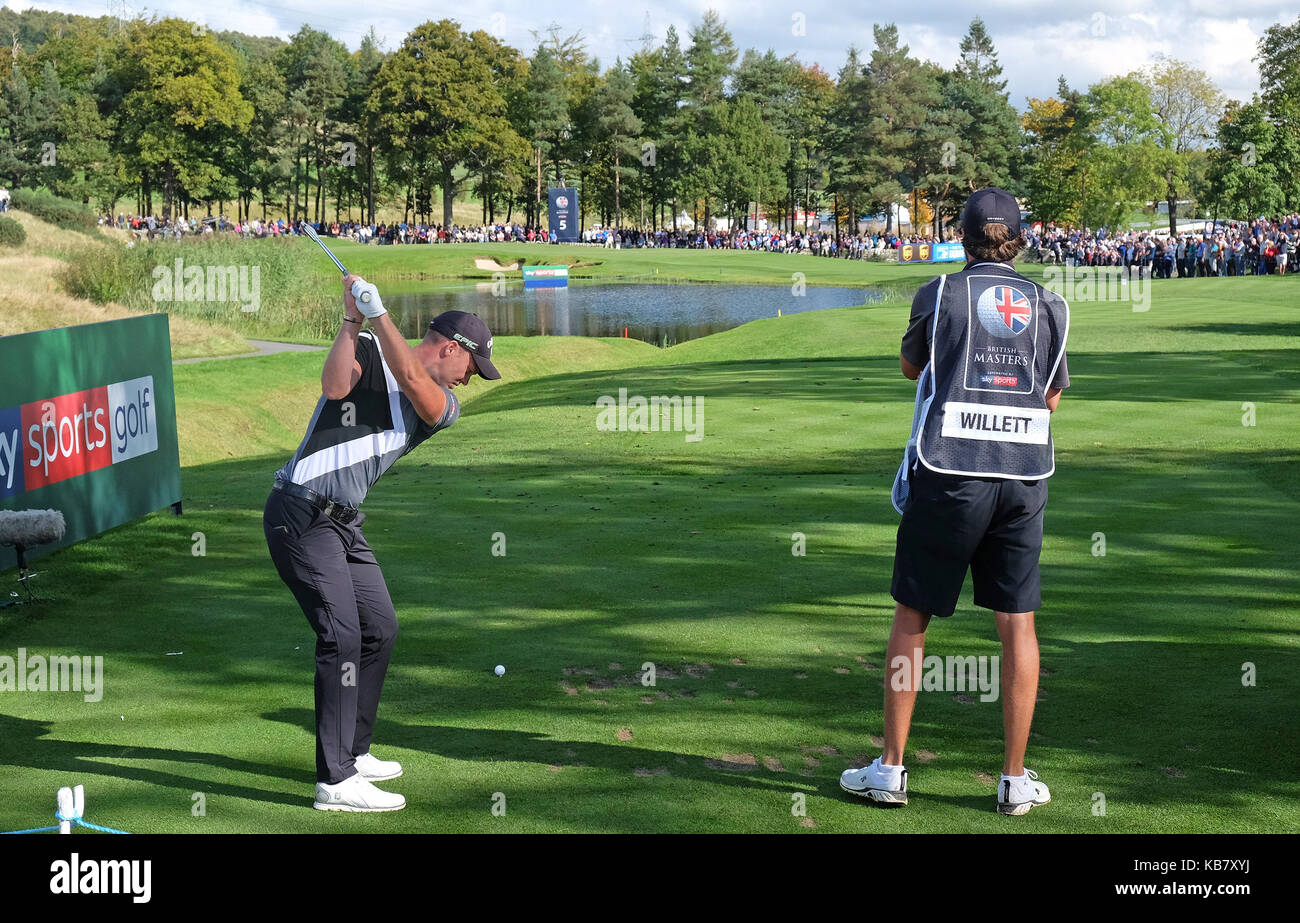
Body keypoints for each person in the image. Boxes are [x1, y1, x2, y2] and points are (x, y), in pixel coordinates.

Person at [842, 187, 1069, 816]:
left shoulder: (938, 292)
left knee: (913, 617)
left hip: (950, 473)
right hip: (1023, 476)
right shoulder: (1050, 303)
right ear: (1019, 237)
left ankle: (890, 770)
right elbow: (1050, 398)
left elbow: (910, 368)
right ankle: (1014, 781)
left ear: (962, 236)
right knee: (1017, 624)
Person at [263, 276, 501, 812]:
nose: (471, 379)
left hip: (343, 525)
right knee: (341, 637)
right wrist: (353, 320)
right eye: (473, 366)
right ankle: (335, 780)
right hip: (299, 512)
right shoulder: (368, 347)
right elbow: (333, 388)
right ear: (450, 348)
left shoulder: (440, 403)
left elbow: (415, 382)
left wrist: (380, 313)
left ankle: (355, 749)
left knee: (380, 628)